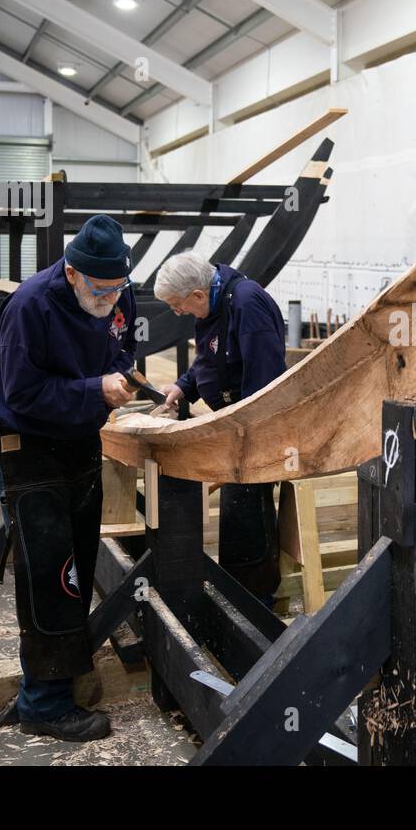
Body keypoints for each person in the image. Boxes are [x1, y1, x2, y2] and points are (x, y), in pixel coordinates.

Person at [0, 214, 136, 742]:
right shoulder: (30, 306)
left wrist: (125, 375)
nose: (111, 299)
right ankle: (44, 706)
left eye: (119, 288)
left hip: (78, 445)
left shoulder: (115, 295)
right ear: (71, 273)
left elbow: (121, 346)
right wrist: (95, 390)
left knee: (77, 570)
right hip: (30, 448)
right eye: (100, 289)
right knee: (50, 572)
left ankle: (41, 688)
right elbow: (22, 393)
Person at [152, 251, 287, 601]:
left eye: (178, 305)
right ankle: (236, 593)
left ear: (197, 294)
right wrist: (183, 386)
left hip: (251, 433)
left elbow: (265, 380)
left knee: (249, 517)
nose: (177, 313)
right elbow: (208, 360)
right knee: (236, 517)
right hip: (231, 431)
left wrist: (239, 430)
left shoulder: (246, 303)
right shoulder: (213, 303)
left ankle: (256, 604)